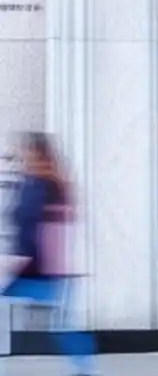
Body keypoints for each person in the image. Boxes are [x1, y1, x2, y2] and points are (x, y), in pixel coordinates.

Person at [3, 132, 96, 376]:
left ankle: (85, 366)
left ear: (41, 154)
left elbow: (52, 230)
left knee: (62, 326)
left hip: (46, 269)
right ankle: (85, 366)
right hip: (30, 265)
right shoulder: (30, 183)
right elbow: (21, 222)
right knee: (61, 324)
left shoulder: (52, 186)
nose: (25, 157)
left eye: (29, 152)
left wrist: (39, 262)